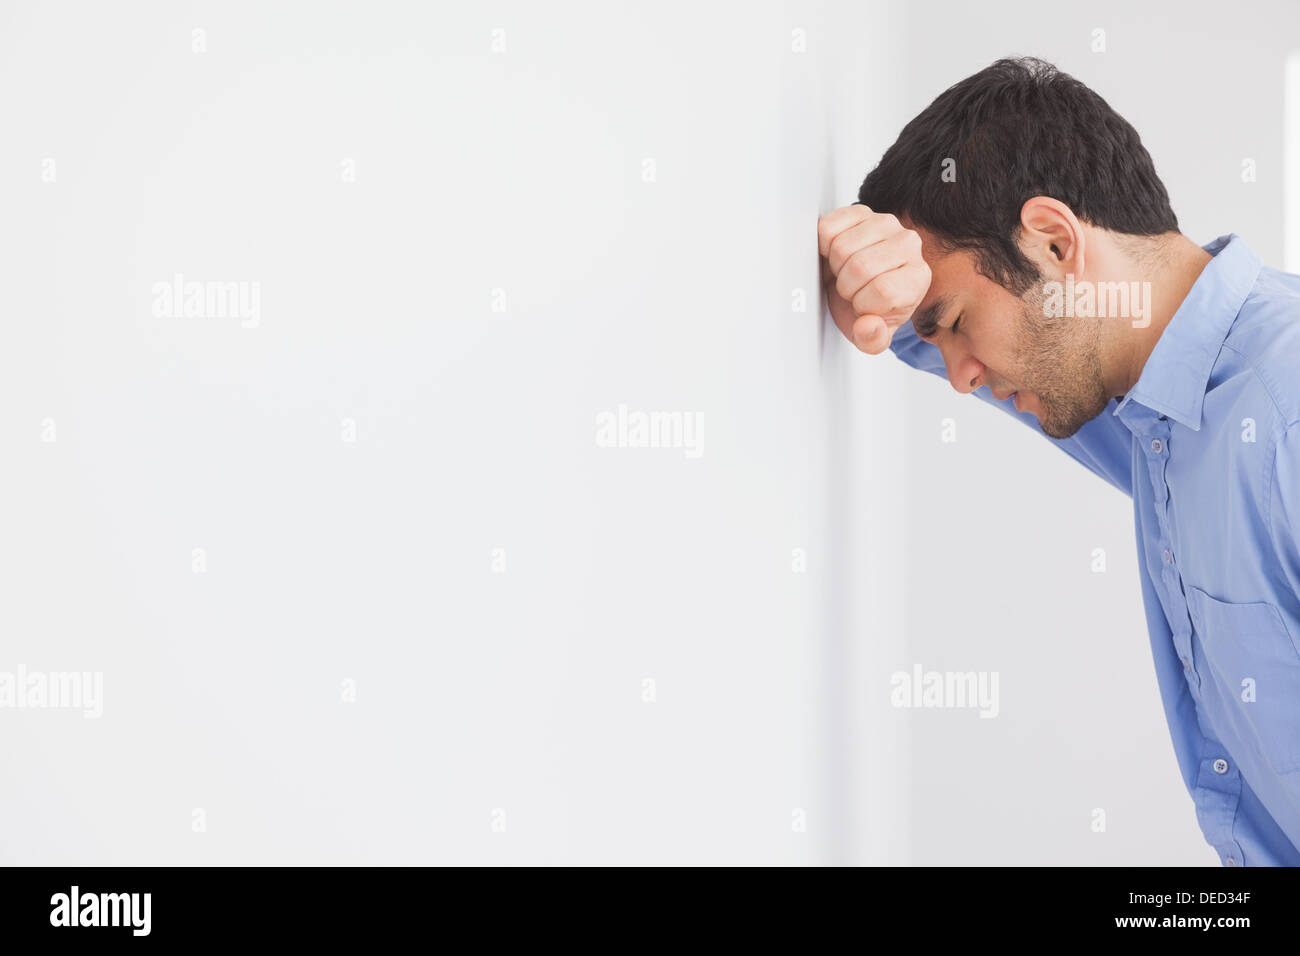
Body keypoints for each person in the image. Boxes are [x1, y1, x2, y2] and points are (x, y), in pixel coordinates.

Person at [818, 55, 1300, 866]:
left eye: (958, 322)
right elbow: (907, 331)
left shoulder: (1281, 406)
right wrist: (864, 288)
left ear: (1052, 240)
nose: (963, 378)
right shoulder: (1150, 409)